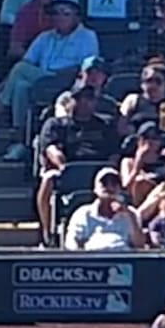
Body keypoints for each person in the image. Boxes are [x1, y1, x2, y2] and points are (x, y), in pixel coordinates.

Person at [0, 0, 99, 150]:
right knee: (20, 86)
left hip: (67, 82)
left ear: (76, 16)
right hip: (42, 81)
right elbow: (28, 61)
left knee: (19, 70)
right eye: (56, 13)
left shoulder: (87, 37)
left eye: (66, 13)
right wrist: (10, 82)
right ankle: (20, 141)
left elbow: (88, 66)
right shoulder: (45, 37)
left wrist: (7, 82)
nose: (60, 17)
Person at [35, 84, 118, 240]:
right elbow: (50, 148)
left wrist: (110, 169)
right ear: (71, 101)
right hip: (67, 171)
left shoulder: (105, 124)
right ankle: (47, 233)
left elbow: (114, 153)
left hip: (101, 172)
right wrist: (62, 165)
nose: (84, 102)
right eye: (79, 98)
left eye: (89, 98)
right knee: (47, 180)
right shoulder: (55, 124)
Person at [63, 166, 141, 251]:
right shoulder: (82, 213)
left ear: (120, 189)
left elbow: (140, 245)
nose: (109, 187)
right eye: (104, 183)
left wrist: (129, 215)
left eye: (114, 183)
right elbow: (71, 243)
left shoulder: (131, 214)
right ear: (95, 189)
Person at [119, 63, 165, 140]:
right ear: (142, 84)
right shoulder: (132, 99)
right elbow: (120, 127)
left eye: (158, 81)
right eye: (149, 81)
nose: (153, 85)